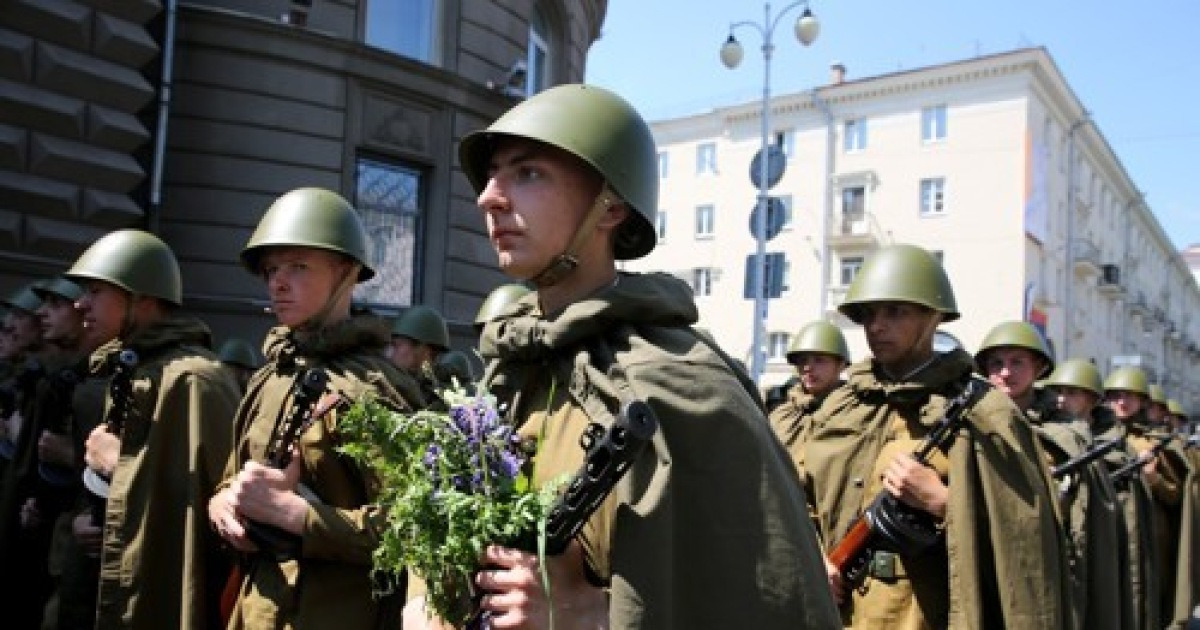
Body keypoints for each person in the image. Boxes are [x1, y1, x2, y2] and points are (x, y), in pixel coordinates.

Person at [404, 83, 839, 629]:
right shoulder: (508, 369)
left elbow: (769, 599)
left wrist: (591, 613)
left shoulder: (690, 385)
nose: (489, 197)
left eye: (528, 173)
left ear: (609, 207)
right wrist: (425, 600)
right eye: (492, 174)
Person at [802, 243, 1069, 629]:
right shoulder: (843, 406)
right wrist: (815, 559)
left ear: (933, 317)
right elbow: (801, 500)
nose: (877, 326)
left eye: (895, 311)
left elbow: (1027, 538)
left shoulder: (985, 411)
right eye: (869, 314)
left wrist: (942, 502)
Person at [207, 187, 427, 629]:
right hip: (256, 610)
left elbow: (414, 528)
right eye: (271, 270)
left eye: (298, 266)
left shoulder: (375, 389)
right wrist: (223, 504)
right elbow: (234, 477)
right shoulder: (271, 377)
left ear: (346, 272)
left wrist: (300, 518)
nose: (278, 282)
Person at [64, 228, 243, 628]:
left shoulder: (196, 380)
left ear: (142, 297)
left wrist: (117, 464)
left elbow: (211, 510)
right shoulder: (130, 371)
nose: (81, 303)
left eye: (96, 291)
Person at [976, 323, 1123, 630]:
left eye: (1017, 362)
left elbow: (1087, 515)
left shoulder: (1067, 433)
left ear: (1039, 368)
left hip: (1046, 558)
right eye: (997, 363)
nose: (1005, 372)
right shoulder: (969, 421)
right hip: (982, 553)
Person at [1042, 358, 1135, 630]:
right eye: (1058, 391)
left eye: (1072, 393)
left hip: (1099, 538)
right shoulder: (1048, 433)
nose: (1061, 399)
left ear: (1092, 399)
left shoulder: (1109, 441)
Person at [1102, 365, 1167, 629]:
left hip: (1140, 529)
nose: (1122, 402)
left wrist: (1153, 477)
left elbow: (1174, 496)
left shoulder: (1152, 441)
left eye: (1129, 396)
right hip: (1105, 526)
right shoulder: (1093, 434)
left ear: (1142, 401)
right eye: (1116, 395)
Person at [769, 319, 850, 478]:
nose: (807, 367)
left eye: (819, 360)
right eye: (803, 361)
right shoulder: (780, 414)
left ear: (841, 365)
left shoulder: (854, 410)